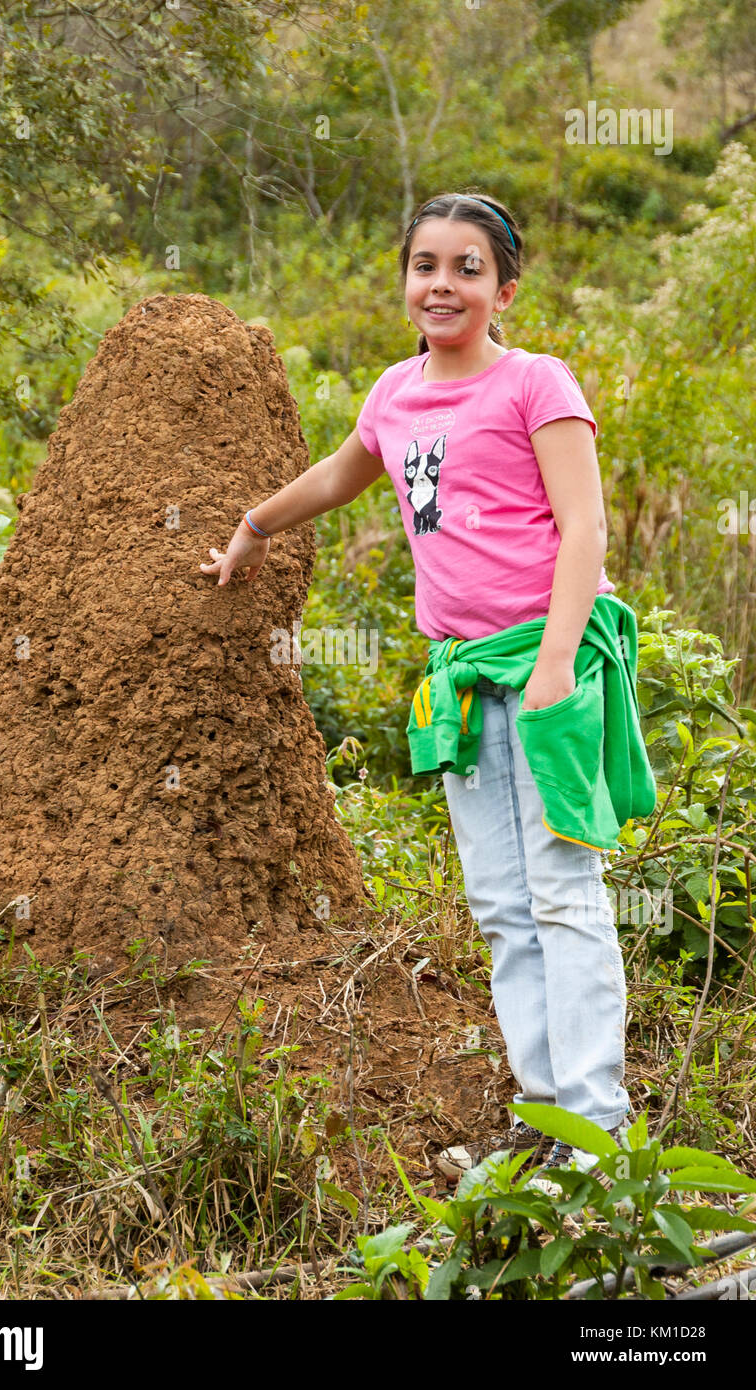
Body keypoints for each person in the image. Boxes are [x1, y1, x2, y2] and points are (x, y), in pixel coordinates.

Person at [199, 189, 639, 1178]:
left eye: (466, 268)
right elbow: (339, 474)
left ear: (503, 289)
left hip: (546, 668)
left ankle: (598, 1134)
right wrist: (256, 526)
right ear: (406, 281)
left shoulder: (536, 383)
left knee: (565, 894)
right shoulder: (395, 395)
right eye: (425, 265)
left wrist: (558, 667)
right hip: (460, 683)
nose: (442, 284)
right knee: (500, 904)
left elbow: (587, 530)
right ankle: (544, 1115)